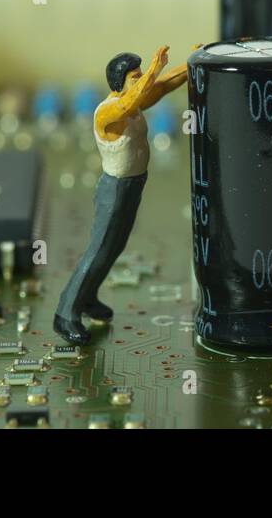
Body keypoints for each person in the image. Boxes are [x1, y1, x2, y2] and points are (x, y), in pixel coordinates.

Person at [54, 46, 187, 344]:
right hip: (114, 189)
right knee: (98, 249)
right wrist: (154, 67)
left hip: (133, 185)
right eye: (135, 77)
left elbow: (162, 86)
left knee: (113, 249)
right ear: (119, 81)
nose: (142, 81)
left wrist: (191, 65)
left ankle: (87, 298)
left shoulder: (136, 103)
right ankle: (65, 313)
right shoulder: (108, 111)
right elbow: (130, 102)